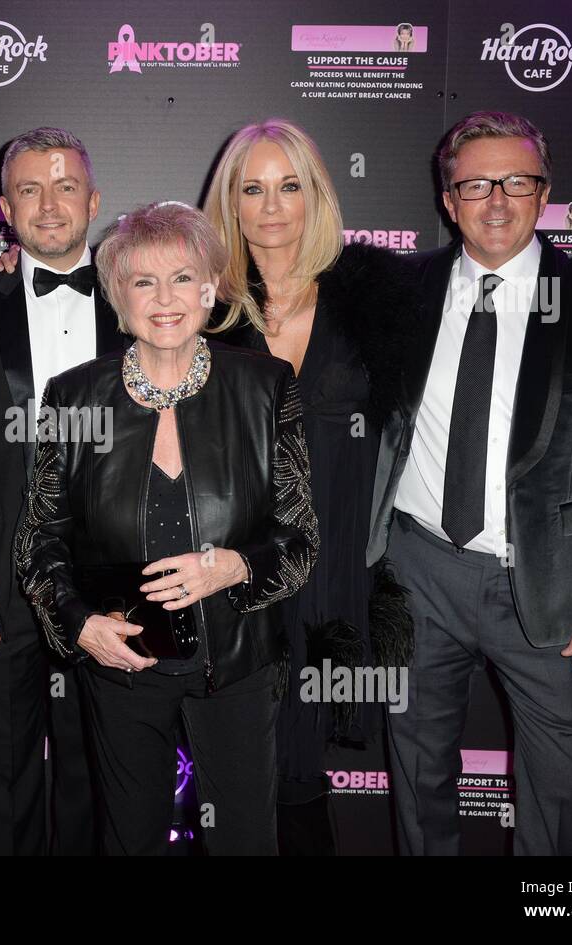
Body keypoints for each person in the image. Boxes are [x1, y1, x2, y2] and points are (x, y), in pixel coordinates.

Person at [367, 111, 572, 855]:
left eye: (517, 182)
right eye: (476, 183)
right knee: (415, 779)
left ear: (545, 194)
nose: (497, 200)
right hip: (417, 574)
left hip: (554, 588)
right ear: (448, 198)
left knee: (560, 801)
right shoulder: (399, 290)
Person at [14, 201, 319, 855]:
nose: (164, 299)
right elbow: (40, 539)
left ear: (210, 288)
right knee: (129, 842)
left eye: (182, 277)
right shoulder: (74, 397)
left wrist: (233, 566)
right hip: (121, 663)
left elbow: (299, 539)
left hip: (235, 663)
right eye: (142, 281)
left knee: (244, 842)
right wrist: (79, 624)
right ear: (117, 296)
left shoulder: (265, 389)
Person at [203, 119, 416, 855]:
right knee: (247, 773)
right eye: (252, 187)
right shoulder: (198, 306)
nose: (271, 205)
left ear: (315, 195)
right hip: (239, 576)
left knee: (302, 762)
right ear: (229, 200)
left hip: (336, 576)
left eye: (289, 185)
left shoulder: (377, 300)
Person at [0, 127, 115, 855]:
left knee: (97, 770)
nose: (48, 204)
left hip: (107, 574)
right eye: (29, 189)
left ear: (94, 200)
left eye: (65, 186)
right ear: (3, 207)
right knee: (2, 775)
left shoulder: (139, 296)